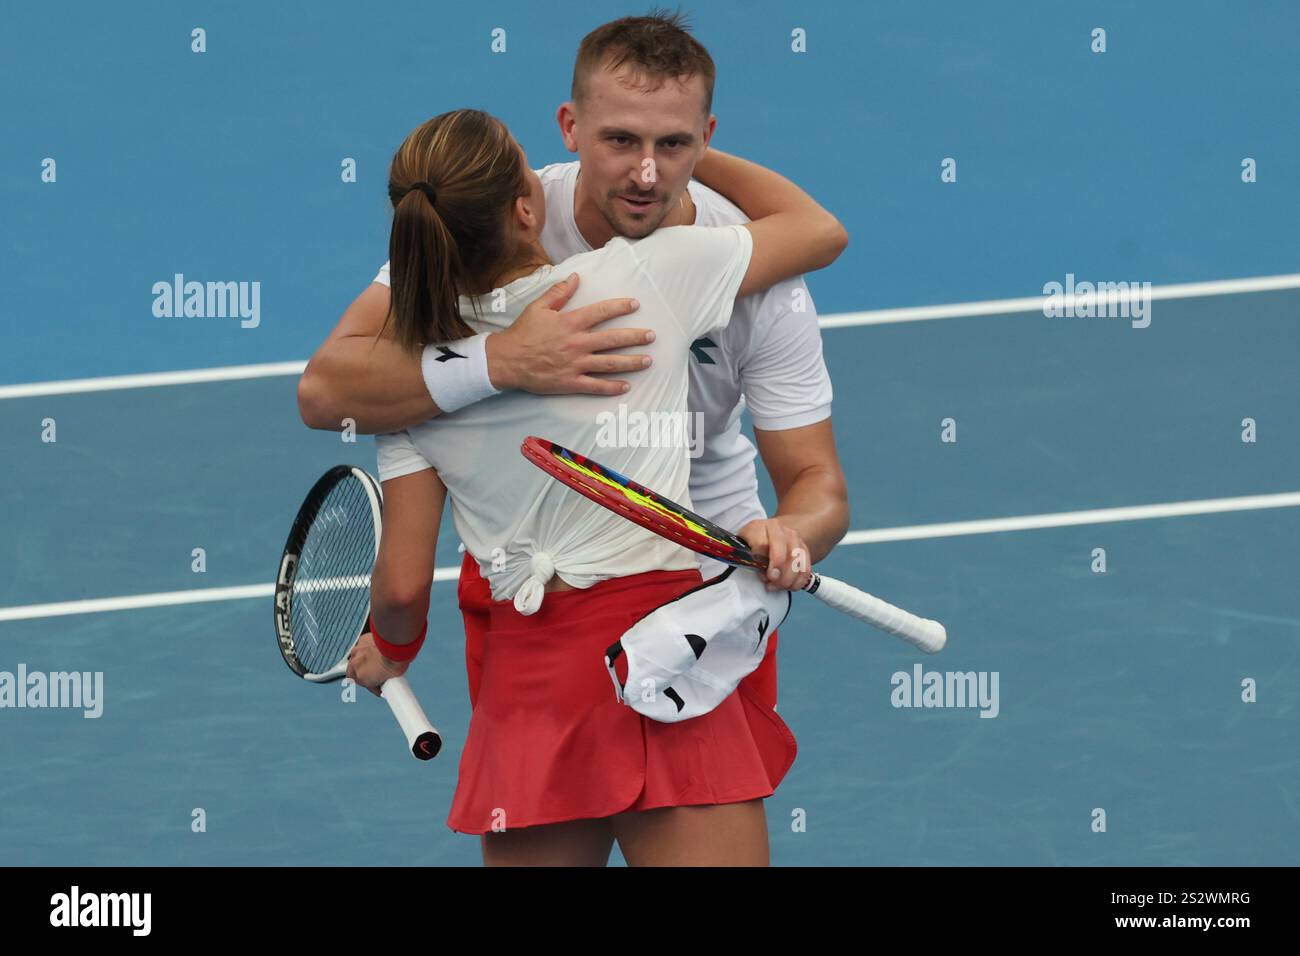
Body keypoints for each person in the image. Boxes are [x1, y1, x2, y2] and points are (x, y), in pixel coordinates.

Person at [299, 12, 851, 724]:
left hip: (704, 586)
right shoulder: (496, 215)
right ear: (570, 127)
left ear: (707, 138)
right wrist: (502, 359)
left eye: (673, 143)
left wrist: (793, 532)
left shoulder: (758, 268)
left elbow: (818, 483)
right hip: (530, 573)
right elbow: (324, 389)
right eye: (619, 139)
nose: (645, 173)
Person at [344, 104, 846, 866]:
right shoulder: (644, 276)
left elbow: (405, 587)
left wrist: (392, 648)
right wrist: (679, 154)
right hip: (659, 653)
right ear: (524, 210)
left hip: (528, 690)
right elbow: (816, 228)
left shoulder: (407, 380)